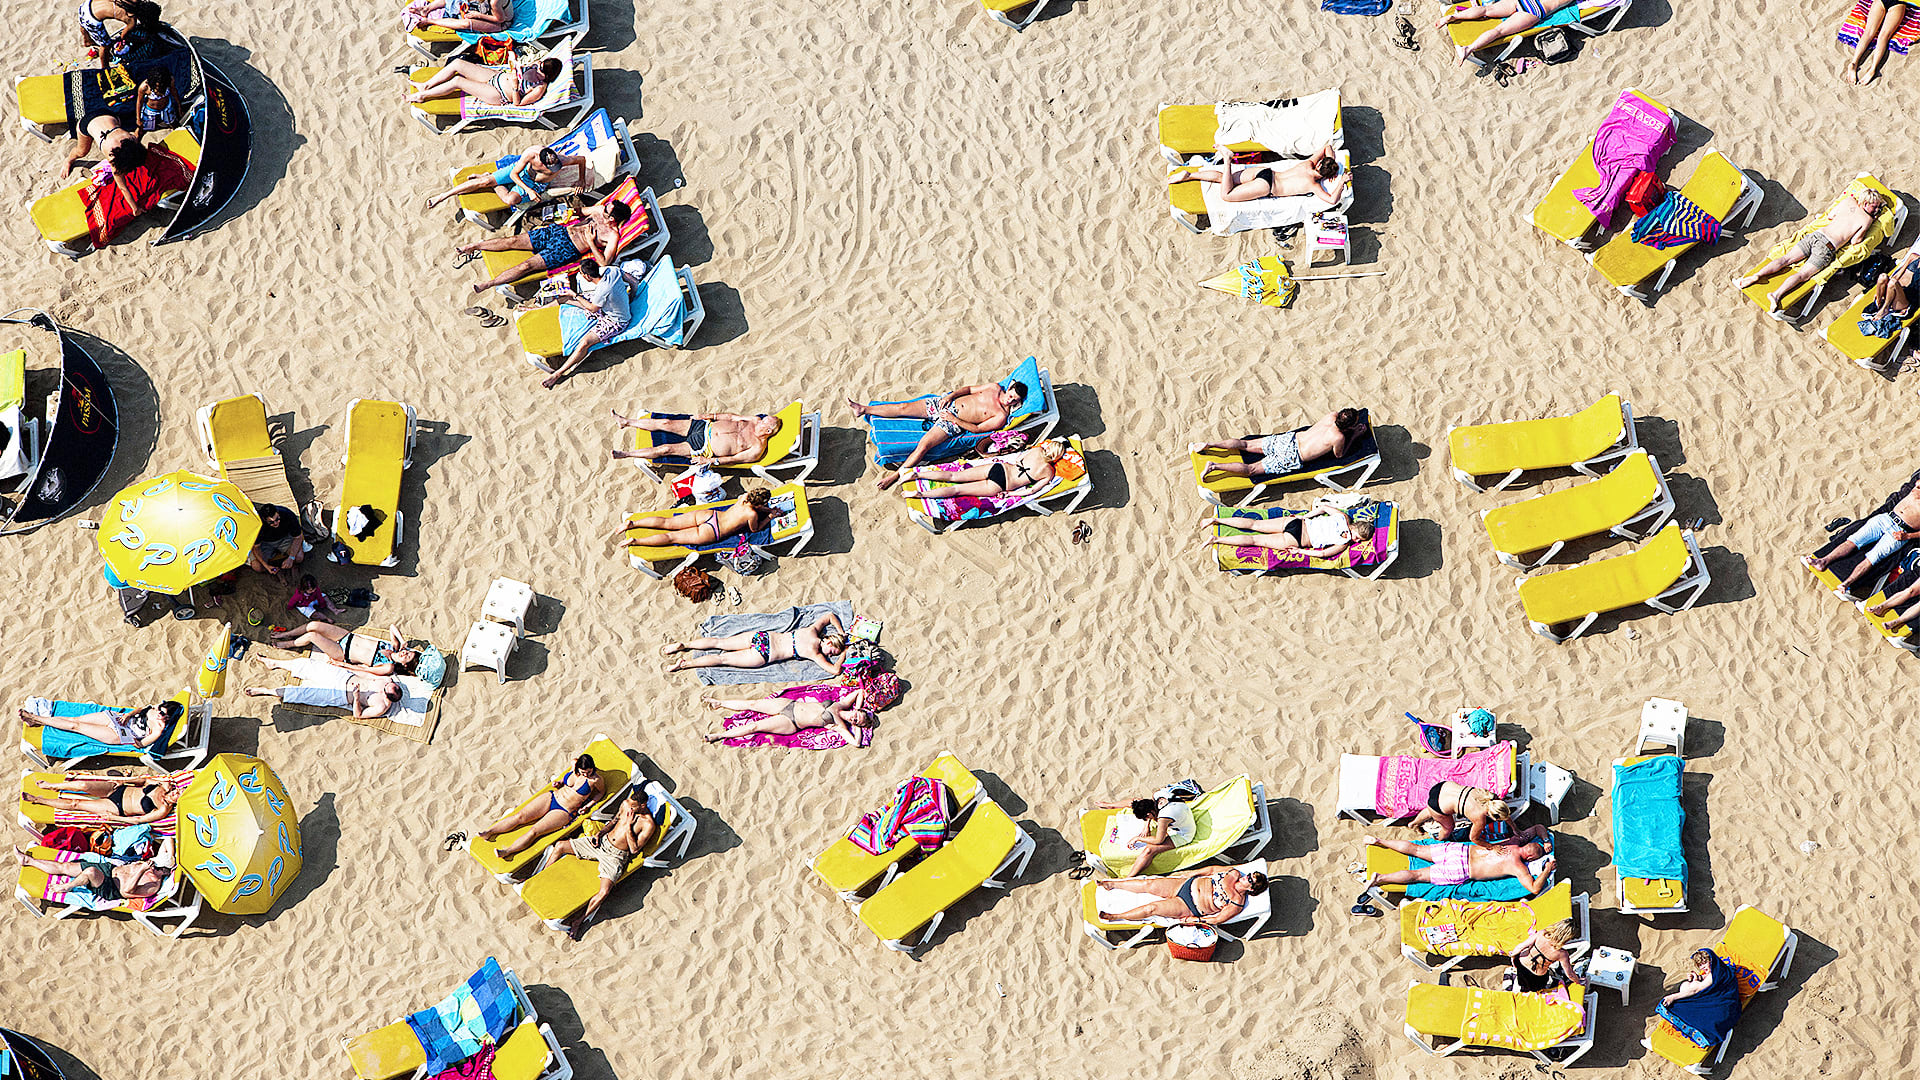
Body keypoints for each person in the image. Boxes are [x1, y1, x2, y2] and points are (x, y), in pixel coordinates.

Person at [518, 786, 657, 940]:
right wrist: (600, 833)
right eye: (629, 805)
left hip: (615, 856)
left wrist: (629, 826)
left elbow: (634, 849)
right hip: (602, 842)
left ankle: (579, 921)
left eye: (633, 807)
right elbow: (614, 821)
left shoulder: (648, 824)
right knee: (560, 846)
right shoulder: (625, 804)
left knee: (604, 892)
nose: (629, 809)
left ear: (643, 806)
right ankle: (538, 878)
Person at [850, 381, 1030, 489]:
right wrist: (951, 396)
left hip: (952, 422)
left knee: (924, 446)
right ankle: (863, 409)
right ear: (1009, 388)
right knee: (903, 408)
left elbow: (977, 430)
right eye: (1011, 395)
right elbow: (967, 390)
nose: (1010, 400)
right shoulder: (993, 387)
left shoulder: (1000, 416)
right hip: (943, 404)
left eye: (1014, 400)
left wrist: (954, 419)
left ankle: (895, 475)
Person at [1735, 188, 1889, 313]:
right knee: (1802, 275)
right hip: (1827, 248)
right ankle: (1776, 295)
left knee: (1785, 259)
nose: (1875, 209)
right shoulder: (1867, 220)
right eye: (1874, 206)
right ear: (1865, 202)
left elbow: (1831, 216)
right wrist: (1872, 221)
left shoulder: (1848, 201)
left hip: (1815, 236)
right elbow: (1856, 241)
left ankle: (1756, 276)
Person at [458, 198, 633, 294]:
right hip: (558, 231)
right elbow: (579, 212)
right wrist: (569, 212)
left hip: (567, 249)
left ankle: (488, 284)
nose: (602, 210)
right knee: (511, 241)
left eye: (606, 211)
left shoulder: (611, 235)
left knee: (527, 266)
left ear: (612, 219)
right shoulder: (598, 210)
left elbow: (604, 263)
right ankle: (474, 246)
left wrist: (590, 242)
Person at [475, 753, 605, 857]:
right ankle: (489, 832)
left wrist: (589, 805)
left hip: (564, 811)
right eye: (583, 772)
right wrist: (560, 781)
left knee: (534, 831)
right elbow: (574, 760)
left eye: (589, 771)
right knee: (520, 816)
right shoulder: (575, 768)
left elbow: (601, 793)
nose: (586, 774)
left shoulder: (595, 779)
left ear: (593, 767)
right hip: (553, 796)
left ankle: (507, 851)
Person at [1803, 483, 1920, 598]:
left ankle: (1846, 583)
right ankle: (1823, 561)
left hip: (1901, 531)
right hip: (1885, 518)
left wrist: (1908, 536)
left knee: (1871, 559)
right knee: (1852, 541)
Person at [1361, 827, 1556, 895]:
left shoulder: (1515, 841)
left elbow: (1539, 827)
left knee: (1417, 849)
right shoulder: (1518, 866)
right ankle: (1380, 878)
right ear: (1530, 858)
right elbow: (1534, 888)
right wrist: (1546, 869)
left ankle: (1379, 841)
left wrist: (1544, 839)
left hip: (1459, 851)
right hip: (1462, 870)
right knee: (1417, 875)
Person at [1192, 409, 1370, 481]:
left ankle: (1209, 444)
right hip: (1293, 455)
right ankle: (1214, 466)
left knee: (1245, 444)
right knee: (1251, 470)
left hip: (1288, 440)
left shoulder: (1331, 415)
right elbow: (1340, 455)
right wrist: (1354, 435)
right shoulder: (1338, 437)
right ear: (1351, 426)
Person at [534, 259, 631, 389]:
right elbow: (630, 279)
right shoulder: (612, 270)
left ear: (587, 276)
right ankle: (534, 310)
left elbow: (592, 308)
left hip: (615, 321)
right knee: (565, 298)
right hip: (605, 307)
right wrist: (633, 293)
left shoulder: (602, 290)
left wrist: (575, 294)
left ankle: (558, 373)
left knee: (584, 343)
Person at [663, 611, 848, 675]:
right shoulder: (814, 652)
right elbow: (835, 670)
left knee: (720, 642)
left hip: (763, 637)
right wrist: (845, 651)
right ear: (829, 641)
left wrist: (841, 633)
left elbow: (829, 616)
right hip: (764, 655)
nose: (830, 655)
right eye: (832, 651)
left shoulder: (812, 630)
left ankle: (685, 645)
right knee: (723, 660)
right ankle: (685, 664)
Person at [425, 144, 589, 212]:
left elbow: (581, 159)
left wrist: (581, 179)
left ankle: (490, 179)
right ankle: (443, 196)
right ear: (541, 160)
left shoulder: (562, 160)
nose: (555, 169)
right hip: (521, 174)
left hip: (538, 184)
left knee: (510, 200)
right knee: (483, 182)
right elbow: (513, 174)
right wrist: (529, 190)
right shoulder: (531, 155)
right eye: (551, 167)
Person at [1171, 141, 1345, 204]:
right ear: (1326, 176)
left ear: (1320, 163)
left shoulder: (1308, 163)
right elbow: (1331, 200)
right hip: (1267, 186)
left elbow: (1327, 147)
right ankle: (1227, 159)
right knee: (1227, 194)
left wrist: (1332, 161)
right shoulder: (1313, 185)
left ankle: (1190, 175)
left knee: (1227, 179)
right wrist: (1341, 181)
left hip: (1266, 172)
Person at [697, 686, 874, 746]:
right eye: (858, 716)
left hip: (792, 723)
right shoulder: (842, 703)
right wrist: (859, 707)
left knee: (755, 727)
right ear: (858, 711)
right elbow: (860, 691)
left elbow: (856, 743)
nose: (854, 719)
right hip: (790, 704)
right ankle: (718, 702)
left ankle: (718, 735)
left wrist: (858, 728)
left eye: (857, 721)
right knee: (754, 704)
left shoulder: (840, 725)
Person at [1094, 865, 1269, 925]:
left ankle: (1115, 916)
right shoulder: (1234, 872)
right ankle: (1112, 884)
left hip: (1190, 905)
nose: (1248, 878)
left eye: (1251, 881)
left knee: (1152, 908)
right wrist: (1192, 873)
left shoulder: (1237, 902)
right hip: (1186, 884)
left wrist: (1195, 921)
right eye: (1250, 875)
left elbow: (1217, 919)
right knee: (1149, 884)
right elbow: (1211, 870)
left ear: (1252, 889)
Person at [609, 409, 784, 469]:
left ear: (768, 430)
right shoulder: (754, 420)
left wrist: (709, 461)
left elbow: (733, 459)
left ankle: (625, 454)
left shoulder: (757, 448)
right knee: (666, 422)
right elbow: (732, 418)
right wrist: (713, 415)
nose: (762, 419)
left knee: (666, 449)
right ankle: (626, 422)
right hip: (704, 426)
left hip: (704, 447)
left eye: (765, 420)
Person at [894, 440, 1067, 500]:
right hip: (1002, 484)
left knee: (954, 476)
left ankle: (916, 474)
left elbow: (1017, 459)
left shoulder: (1036, 450)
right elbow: (1032, 491)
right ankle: (920, 494)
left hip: (999, 468)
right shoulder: (1049, 471)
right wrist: (1010, 494)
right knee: (957, 490)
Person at [612, 486, 774, 549]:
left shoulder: (743, 498)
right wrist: (770, 516)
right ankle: (635, 542)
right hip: (713, 531)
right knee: (671, 537)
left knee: (668, 522)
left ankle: (632, 523)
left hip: (709, 515)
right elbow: (756, 528)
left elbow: (755, 505)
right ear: (759, 504)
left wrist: (766, 508)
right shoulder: (751, 514)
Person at [242, 659, 404, 719]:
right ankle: (275, 663)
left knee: (300, 694)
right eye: (386, 685)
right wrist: (344, 666)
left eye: (385, 689)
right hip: (343, 677)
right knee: (307, 665)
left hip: (339, 695)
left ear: (387, 696)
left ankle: (265, 691)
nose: (383, 686)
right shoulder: (386, 680)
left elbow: (358, 715)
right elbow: (366, 672)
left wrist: (356, 697)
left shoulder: (381, 706)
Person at [1436, 0, 1584, 66]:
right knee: (1498, 31)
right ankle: (1468, 48)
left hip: (1523, 1)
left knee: (1487, 10)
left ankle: (1454, 16)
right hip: (1536, 10)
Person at [1204, 505, 1374, 561]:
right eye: (1358, 538)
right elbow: (1322, 554)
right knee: (1254, 540)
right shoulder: (1344, 543)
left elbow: (1321, 508)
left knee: (1255, 524)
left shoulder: (1343, 516)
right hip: (1296, 539)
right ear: (1356, 530)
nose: (1357, 542)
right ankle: (1216, 539)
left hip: (1296, 522)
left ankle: (1215, 520)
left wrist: (1303, 516)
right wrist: (1300, 551)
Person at [1653, 948, 1745, 1050]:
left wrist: (1672, 997)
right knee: (1686, 990)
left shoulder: (1716, 973)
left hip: (1724, 1006)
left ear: (1712, 961)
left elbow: (1696, 990)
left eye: (1705, 963)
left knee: (1681, 1006)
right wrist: (1697, 978)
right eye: (1700, 965)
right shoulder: (1717, 970)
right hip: (1722, 1002)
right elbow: (1708, 985)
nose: (1703, 967)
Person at [15, 845, 167, 907]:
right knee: (65, 866)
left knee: (91, 872)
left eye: (159, 867)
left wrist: (141, 870)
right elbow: (169, 841)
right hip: (109, 869)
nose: (154, 866)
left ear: (165, 872)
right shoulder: (150, 867)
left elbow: (127, 892)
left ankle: (66, 887)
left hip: (110, 888)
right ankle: (28, 860)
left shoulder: (153, 885)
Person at [61, 113, 148, 216]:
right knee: (81, 152)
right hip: (87, 123)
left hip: (110, 116)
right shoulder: (112, 156)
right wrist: (135, 208)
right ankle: (69, 160)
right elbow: (123, 188)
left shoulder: (131, 138)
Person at [1095, 792, 1198, 878]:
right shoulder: (1158, 795)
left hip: (1184, 833)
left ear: (1149, 814)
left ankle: (1129, 877)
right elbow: (1141, 804)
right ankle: (1110, 805)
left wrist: (1137, 838)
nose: (1147, 820)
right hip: (1182, 814)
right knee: (1137, 801)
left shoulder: (1163, 818)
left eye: (1146, 818)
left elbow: (1158, 840)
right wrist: (1146, 825)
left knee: (1149, 850)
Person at [270, 620, 421, 677]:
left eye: (407, 656)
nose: (405, 653)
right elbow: (392, 627)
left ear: (405, 665)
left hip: (343, 653)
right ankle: (286, 634)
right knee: (314, 625)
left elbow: (365, 670)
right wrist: (402, 641)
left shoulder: (388, 667)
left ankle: (287, 644)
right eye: (408, 652)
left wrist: (342, 665)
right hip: (346, 637)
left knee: (312, 636)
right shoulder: (394, 647)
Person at [17, 699, 183, 750]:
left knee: (77, 727)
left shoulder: (158, 730)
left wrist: (129, 738)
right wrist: (128, 715)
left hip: (119, 735)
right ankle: (35, 719)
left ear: (168, 719)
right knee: (76, 720)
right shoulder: (155, 710)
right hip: (118, 720)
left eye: (162, 714)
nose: (158, 712)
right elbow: (141, 709)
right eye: (160, 709)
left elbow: (140, 745)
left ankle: (35, 719)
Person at [406, 55, 562, 108]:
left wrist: (515, 87)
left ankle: (423, 96)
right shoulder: (535, 66)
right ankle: (425, 85)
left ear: (547, 77)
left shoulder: (539, 88)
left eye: (541, 71)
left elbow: (518, 104)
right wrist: (514, 64)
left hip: (498, 94)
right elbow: (515, 66)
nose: (536, 69)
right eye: (539, 65)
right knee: (458, 64)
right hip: (495, 76)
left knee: (458, 81)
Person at [23, 774, 177, 826]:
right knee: (83, 785)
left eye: (178, 795)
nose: (175, 793)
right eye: (177, 791)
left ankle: (39, 800)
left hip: (117, 807)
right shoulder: (161, 786)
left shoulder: (163, 809)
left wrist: (114, 818)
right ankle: (53, 786)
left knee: (77, 804)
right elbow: (142, 781)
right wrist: (124, 780)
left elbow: (138, 820)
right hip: (117, 789)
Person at [1407, 782, 1514, 847]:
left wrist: (1515, 829)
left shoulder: (1490, 796)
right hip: (1439, 805)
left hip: (1442, 787)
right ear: (1493, 816)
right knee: (1448, 828)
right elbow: (1474, 838)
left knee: (1431, 809)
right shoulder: (1479, 818)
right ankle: (1437, 840)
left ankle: (1413, 823)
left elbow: (1504, 813)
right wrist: (1491, 846)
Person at [1845, 0, 1913, 85]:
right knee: (1884, 36)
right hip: (1898, 4)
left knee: (1868, 33)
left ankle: (1854, 63)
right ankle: (1872, 69)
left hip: (1880, 1)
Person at [1505, 918, 1582, 992]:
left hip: (1521, 963)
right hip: (1537, 976)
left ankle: (1520, 985)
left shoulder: (1541, 934)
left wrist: (1513, 959)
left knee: (1522, 980)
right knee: (1537, 986)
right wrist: (1578, 981)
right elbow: (1570, 974)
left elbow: (1520, 947)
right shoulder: (1562, 954)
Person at [77, 0, 160, 57]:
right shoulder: (132, 20)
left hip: (87, 5)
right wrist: (140, 40)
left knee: (83, 24)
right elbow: (124, 36)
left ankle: (87, 40)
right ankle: (105, 68)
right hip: (91, 19)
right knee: (106, 45)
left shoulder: (134, 1)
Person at [246, 504, 307, 576]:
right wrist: (266, 566)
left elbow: (298, 537)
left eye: (277, 519)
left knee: (299, 557)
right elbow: (256, 548)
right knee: (257, 567)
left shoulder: (287, 514)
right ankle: (274, 571)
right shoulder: (257, 523)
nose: (275, 523)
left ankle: (292, 565)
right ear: (264, 519)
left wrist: (291, 557)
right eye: (271, 522)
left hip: (284, 538)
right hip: (265, 543)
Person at [404, 0, 512, 34]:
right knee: (456, 2)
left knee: (465, 23)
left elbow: (500, 19)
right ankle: (426, 9)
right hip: (485, 11)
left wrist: (478, 15)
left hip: (500, 24)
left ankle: (429, 20)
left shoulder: (494, 2)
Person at [133, 67, 176, 135]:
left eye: (161, 86)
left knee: (172, 122)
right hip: (151, 110)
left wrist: (179, 107)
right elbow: (139, 102)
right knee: (144, 127)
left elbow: (174, 92)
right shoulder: (144, 87)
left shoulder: (170, 81)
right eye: (157, 86)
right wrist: (138, 119)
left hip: (166, 107)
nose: (158, 89)